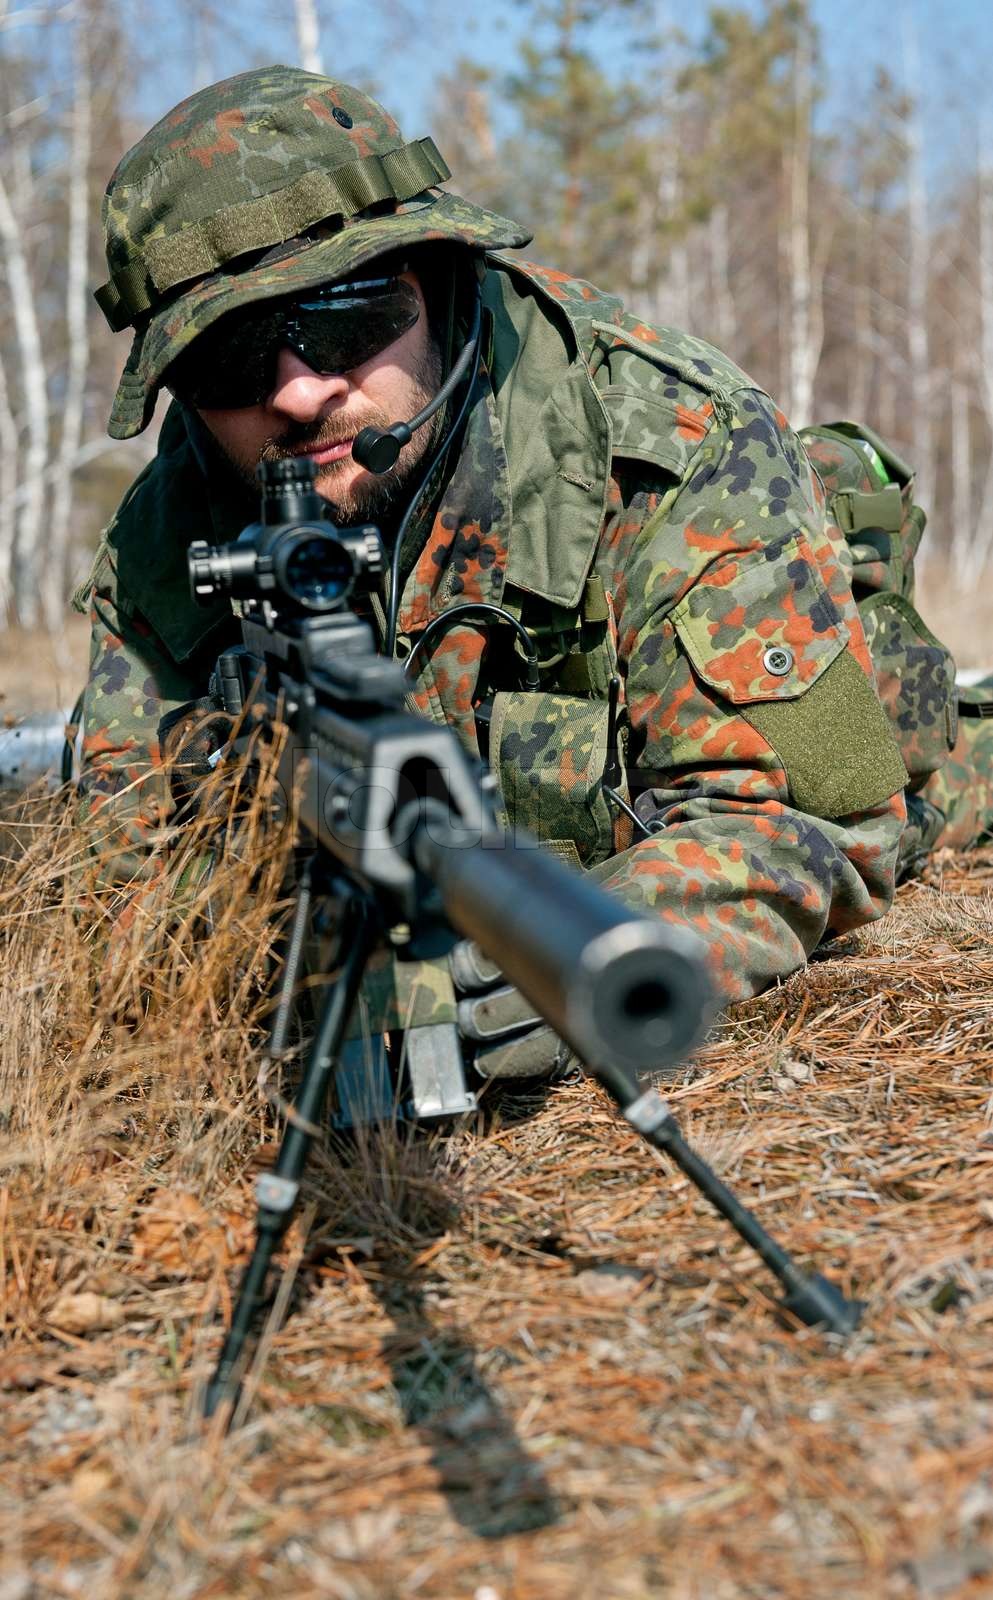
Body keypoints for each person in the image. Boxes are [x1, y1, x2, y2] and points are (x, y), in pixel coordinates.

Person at [77, 64, 916, 1080]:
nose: (299, 394)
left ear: (436, 279)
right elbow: (118, 886)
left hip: (761, 661)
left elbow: (829, 817)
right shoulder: (166, 532)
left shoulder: (672, 443)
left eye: (346, 320)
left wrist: (618, 934)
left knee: (936, 755)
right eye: (230, 360)